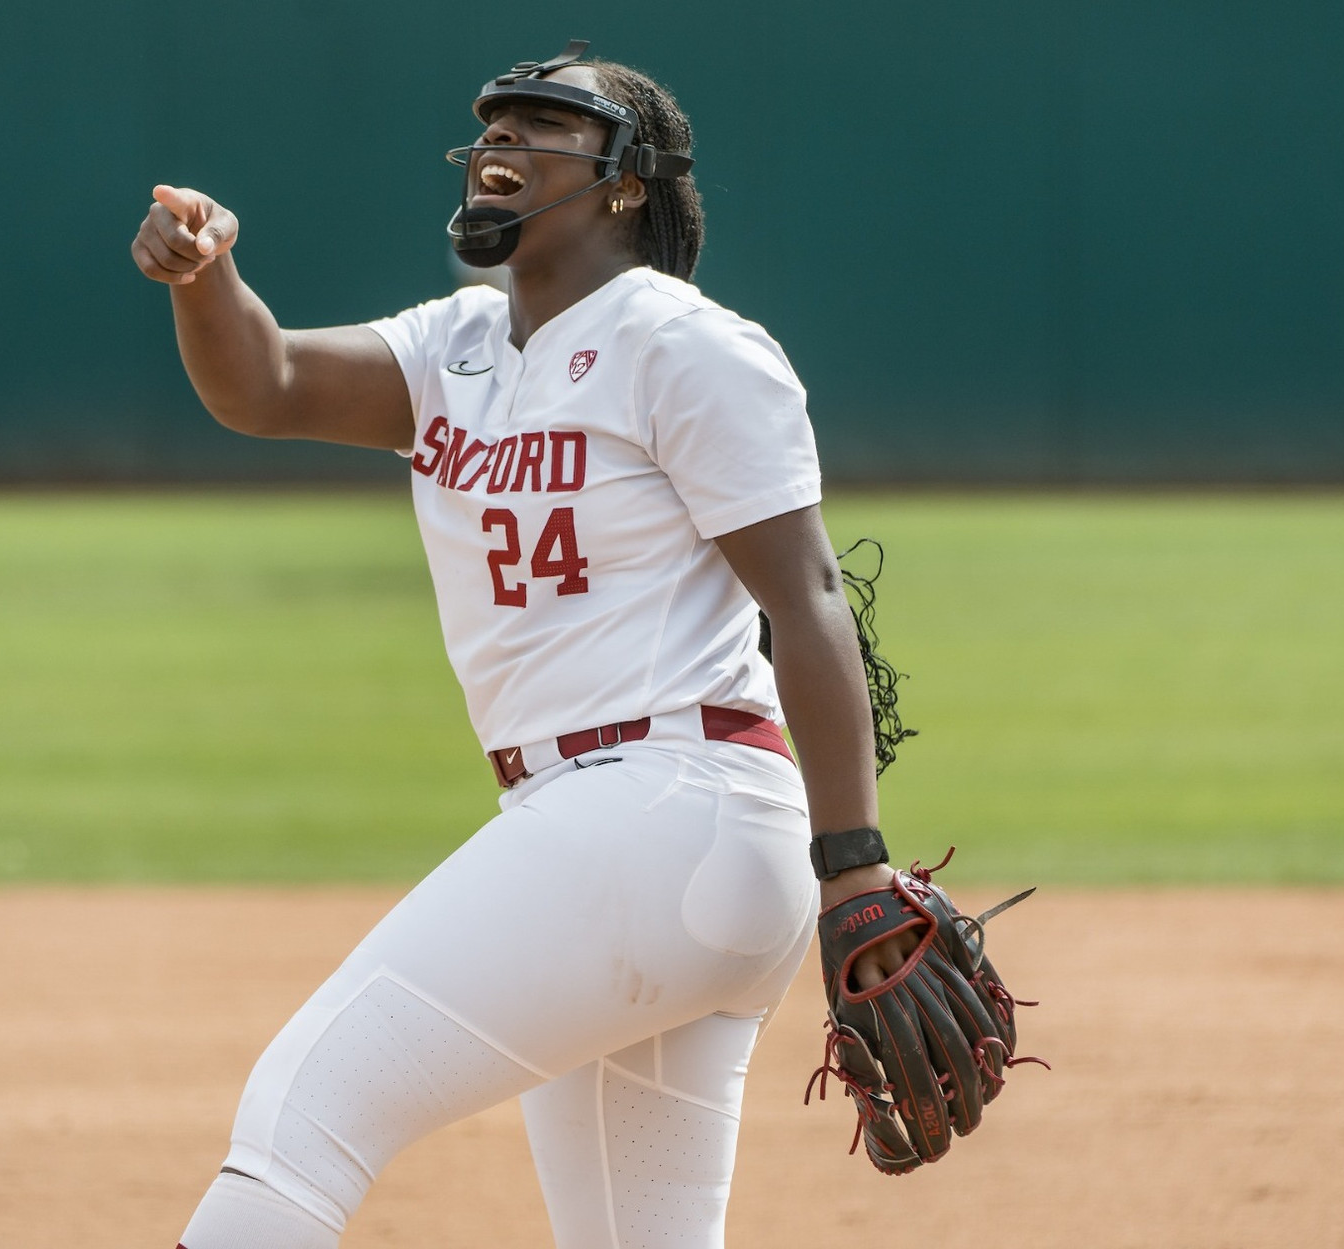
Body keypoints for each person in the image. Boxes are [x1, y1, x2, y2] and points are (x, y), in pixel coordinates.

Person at [132, 39, 914, 1249]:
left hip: (668, 800)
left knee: (305, 1111)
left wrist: (855, 864)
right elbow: (268, 382)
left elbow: (808, 597)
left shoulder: (681, 342)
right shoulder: (456, 346)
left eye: (545, 123)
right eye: (494, 121)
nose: (502, 138)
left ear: (627, 183)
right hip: (629, 836)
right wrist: (205, 278)